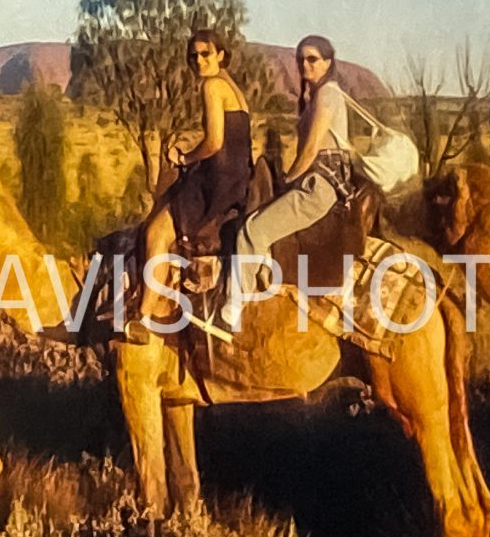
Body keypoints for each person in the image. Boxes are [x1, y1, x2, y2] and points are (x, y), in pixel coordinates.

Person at [219, 35, 354, 330]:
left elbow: (311, 149)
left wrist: (290, 178)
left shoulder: (328, 94)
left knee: (251, 230)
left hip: (318, 187)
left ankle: (235, 307)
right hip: (316, 182)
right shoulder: (316, 96)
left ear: (328, 62)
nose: (305, 65)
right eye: (300, 59)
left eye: (312, 59)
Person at [127, 29, 252, 342]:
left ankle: (141, 317)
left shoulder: (212, 86)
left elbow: (214, 142)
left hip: (215, 183)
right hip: (237, 180)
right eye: (193, 55)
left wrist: (185, 158)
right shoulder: (235, 89)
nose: (198, 61)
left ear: (221, 54)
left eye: (205, 54)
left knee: (157, 232)